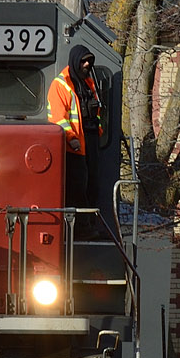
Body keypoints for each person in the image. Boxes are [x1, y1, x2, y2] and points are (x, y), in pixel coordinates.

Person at [47, 44, 118, 236]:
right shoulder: (61, 85)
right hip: (74, 147)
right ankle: (79, 228)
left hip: (91, 140)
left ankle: (89, 224)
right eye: (83, 60)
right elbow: (58, 118)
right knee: (77, 186)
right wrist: (72, 139)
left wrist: (99, 128)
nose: (87, 64)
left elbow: (97, 111)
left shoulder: (89, 83)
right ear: (75, 61)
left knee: (92, 183)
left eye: (89, 61)